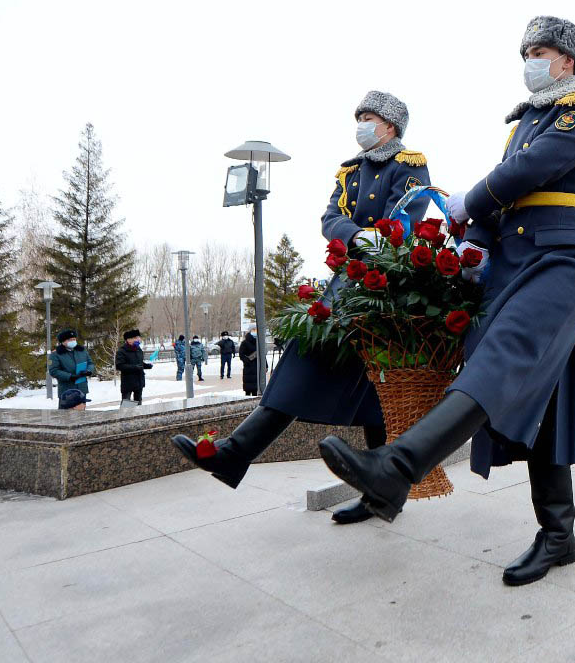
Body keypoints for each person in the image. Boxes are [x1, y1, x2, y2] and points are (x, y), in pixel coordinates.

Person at [318, 15, 575, 586]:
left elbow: (530, 171)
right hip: (517, 259)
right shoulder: (525, 120)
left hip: (564, 257)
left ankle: (397, 466)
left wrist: (467, 202)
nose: (531, 58)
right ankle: (559, 534)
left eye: (542, 50)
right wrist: (472, 244)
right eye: (525, 50)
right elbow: (506, 191)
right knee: (548, 396)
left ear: (568, 60)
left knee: (502, 355)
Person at [172, 91, 431, 527]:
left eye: (368, 117)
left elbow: (409, 213)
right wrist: (356, 236)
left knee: (370, 383)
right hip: (349, 278)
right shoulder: (350, 170)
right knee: (314, 362)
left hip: (386, 283)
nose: (361, 124)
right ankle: (241, 455)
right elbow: (330, 218)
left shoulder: (409, 164)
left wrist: (379, 239)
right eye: (359, 117)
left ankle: (378, 491)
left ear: (390, 125)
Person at [48, 329, 94, 409]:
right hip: (67, 391)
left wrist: (89, 371)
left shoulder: (82, 351)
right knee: (66, 416)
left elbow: (90, 363)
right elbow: (53, 371)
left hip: (81, 388)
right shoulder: (55, 354)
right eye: (70, 340)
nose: (73, 341)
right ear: (63, 341)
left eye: (74, 339)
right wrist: (70, 376)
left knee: (82, 415)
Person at [115, 329, 153, 405]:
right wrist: (134, 367)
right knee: (126, 405)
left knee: (138, 404)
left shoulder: (138, 349)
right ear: (129, 340)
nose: (138, 339)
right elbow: (119, 365)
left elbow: (139, 363)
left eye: (138, 337)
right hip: (128, 383)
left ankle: (138, 417)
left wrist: (146, 366)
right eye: (136, 337)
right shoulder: (122, 351)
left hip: (139, 382)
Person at [238, 326, 262, 397]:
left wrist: (265, 365)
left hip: (258, 366)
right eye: (253, 330)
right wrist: (247, 361)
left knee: (256, 389)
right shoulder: (244, 343)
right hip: (249, 368)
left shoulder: (259, 342)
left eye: (256, 330)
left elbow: (262, 354)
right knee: (248, 389)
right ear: (250, 331)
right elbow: (241, 355)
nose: (255, 331)